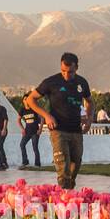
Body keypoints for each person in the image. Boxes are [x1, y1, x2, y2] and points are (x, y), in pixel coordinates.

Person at [26, 52, 92, 190]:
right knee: (63, 166)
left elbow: (90, 102)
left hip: (76, 130)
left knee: (75, 164)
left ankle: (69, 194)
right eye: (63, 71)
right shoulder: (51, 82)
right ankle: (64, 198)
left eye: (70, 72)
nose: (66, 75)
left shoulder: (82, 83)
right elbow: (30, 99)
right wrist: (47, 116)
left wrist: (89, 119)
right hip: (58, 130)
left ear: (77, 68)